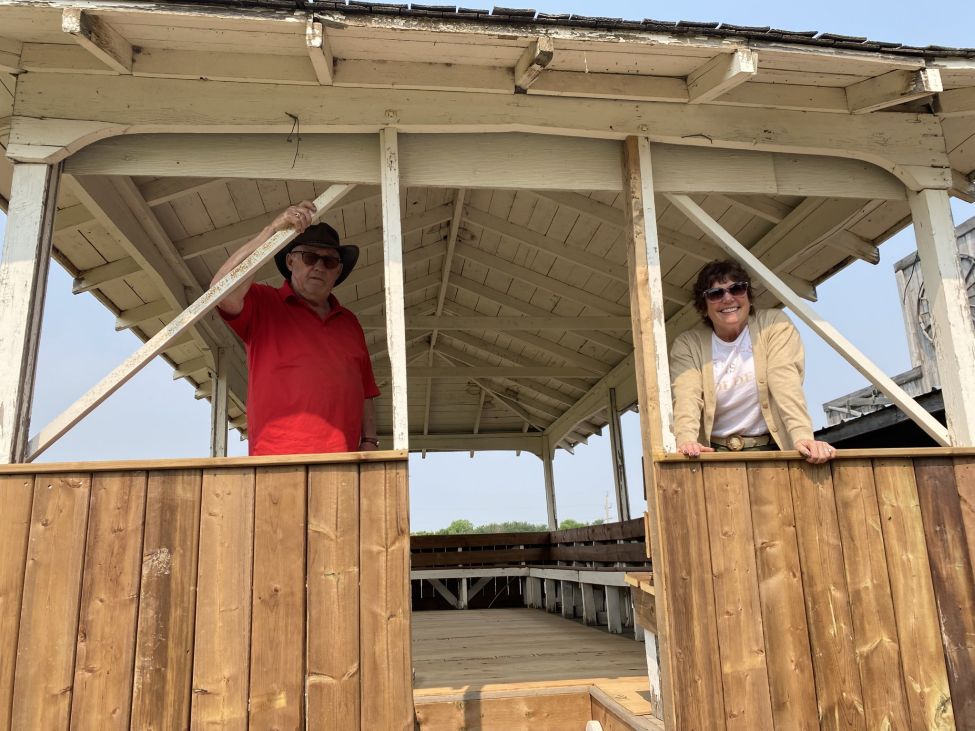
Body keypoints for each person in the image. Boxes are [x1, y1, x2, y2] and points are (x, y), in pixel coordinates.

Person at [212, 200, 380, 456]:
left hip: (343, 463)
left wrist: (369, 441)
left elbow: (365, 389)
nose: (320, 266)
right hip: (275, 461)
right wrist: (271, 231)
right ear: (290, 261)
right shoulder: (262, 303)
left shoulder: (350, 323)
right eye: (310, 257)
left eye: (330, 261)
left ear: (339, 271)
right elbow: (220, 292)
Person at [669, 260, 835, 464]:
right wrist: (687, 441)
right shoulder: (688, 345)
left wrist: (803, 437)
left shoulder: (773, 325)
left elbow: (785, 382)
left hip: (773, 448)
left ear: (747, 295)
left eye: (736, 289)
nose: (728, 298)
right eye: (715, 294)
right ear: (703, 307)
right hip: (715, 456)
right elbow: (687, 397)